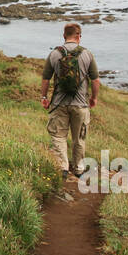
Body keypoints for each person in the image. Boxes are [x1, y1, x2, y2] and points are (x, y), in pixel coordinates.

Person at [40, 23, 100, 180]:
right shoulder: (87, 54)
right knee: (79, 137)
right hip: (80, 104)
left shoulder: (54, 54)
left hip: (59, 104)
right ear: (79, 36)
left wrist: (44, 97)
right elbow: (95, 80)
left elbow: (46, 78)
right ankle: (78, 168)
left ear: (64, 36)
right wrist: (93, 98)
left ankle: (62, 167)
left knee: (58, 135)